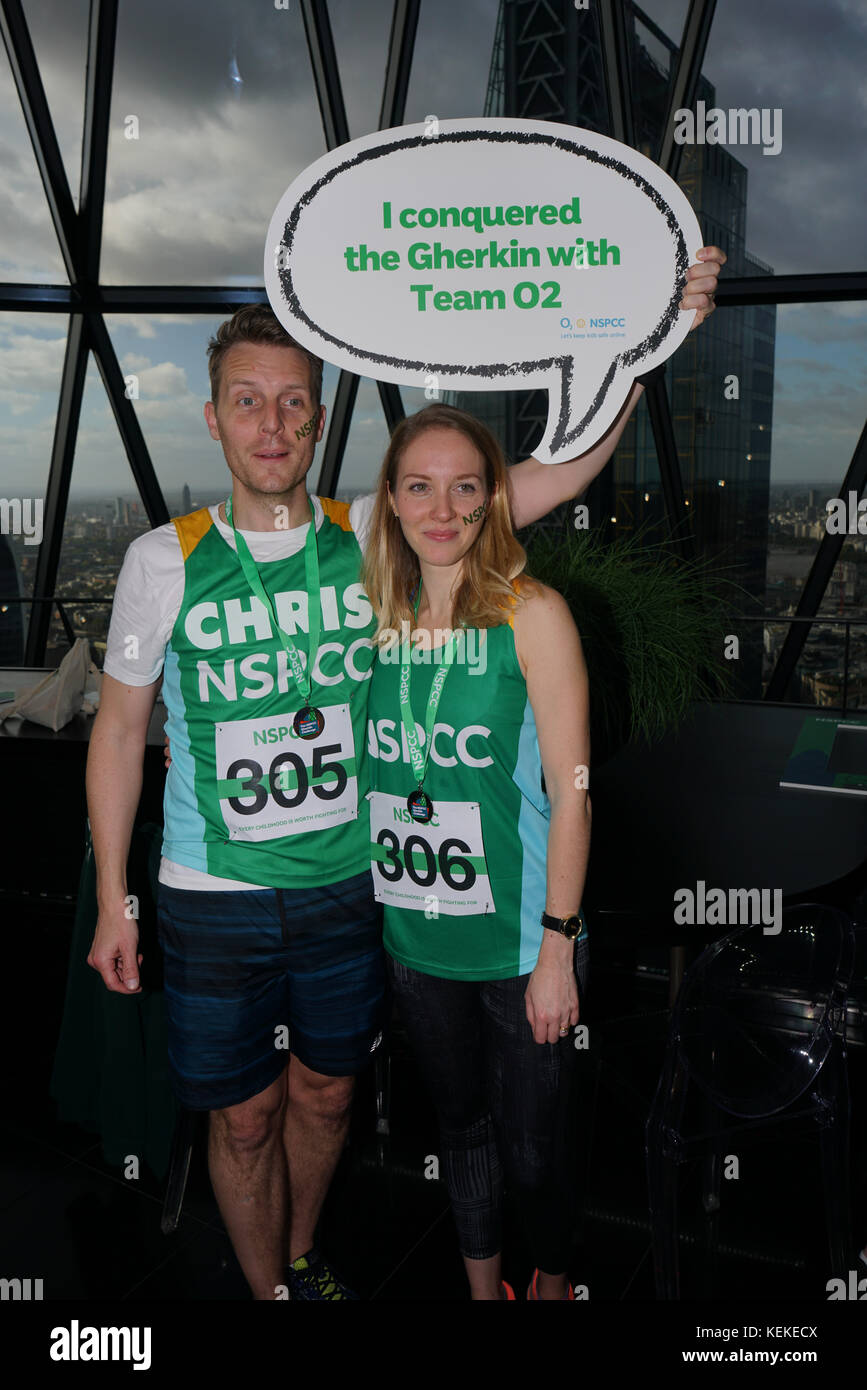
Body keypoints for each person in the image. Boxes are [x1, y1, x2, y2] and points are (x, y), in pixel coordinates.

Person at [85, 248, 723, 1301]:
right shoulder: (163, 559)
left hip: (353, 887)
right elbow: (117, 735)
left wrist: (654, 343)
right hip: (213, 891)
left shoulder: (370, 539)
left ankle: (300, 1251)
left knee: (331, 1098)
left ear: (321, 423)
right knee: (241, 1115)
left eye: (296, 403)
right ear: (214, 420)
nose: (275, 424)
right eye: (249, 402)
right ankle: (271, 1293)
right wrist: (116, 894)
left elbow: (538, 483)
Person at [363, 403, 593, 1299]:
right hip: (416, 940)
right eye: (419, 486)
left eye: (465, 486)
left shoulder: (530, 614)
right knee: (458, 1128)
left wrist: (557, 947)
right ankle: (481, 1289)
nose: (442, 508)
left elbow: (574, 795)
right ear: (390, 500)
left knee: (534, 1151)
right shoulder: (378, 614)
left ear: (493, 498)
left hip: (517, 942)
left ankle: (553, 1280)